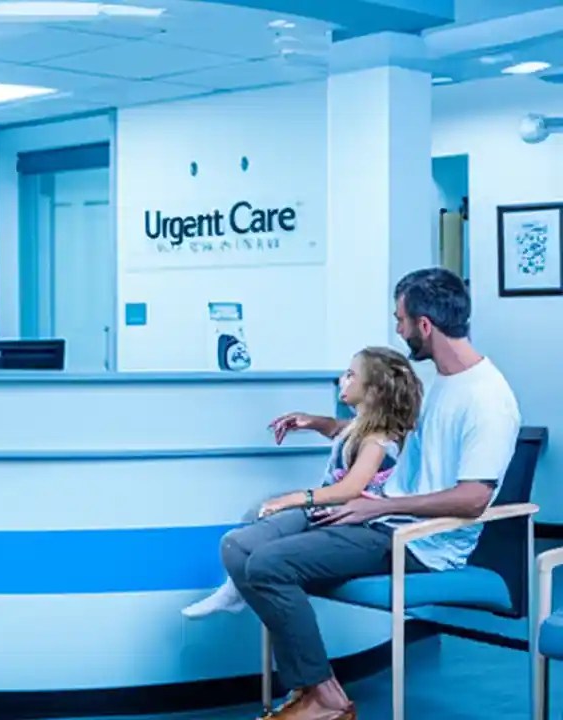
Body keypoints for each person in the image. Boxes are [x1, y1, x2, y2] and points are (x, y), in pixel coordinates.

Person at [221, 267, 520, 720]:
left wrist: (381, 505)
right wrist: (322, 424)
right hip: (379, 518)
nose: (397, 330)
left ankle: (320, 697)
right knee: (239, 545)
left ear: (425, 325)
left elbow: (473, 498)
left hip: (417, 540)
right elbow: (388, 437)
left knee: (266, 564)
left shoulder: (488, 399)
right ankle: (322, 692)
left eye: (400, 320)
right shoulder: (443, 382)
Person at [182, 346, 421, 619]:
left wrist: (291, 499)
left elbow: (349, 489)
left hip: (348, 525)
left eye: (351, 375)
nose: (343, 380)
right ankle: (234, 590)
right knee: (248, 528)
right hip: (324, 513)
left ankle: (240, 591)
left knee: (264, 534)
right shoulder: (362, 425)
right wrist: (312, 422)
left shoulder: (378, 440)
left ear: (373, 391)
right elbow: (339, 430)